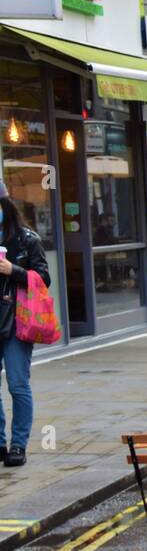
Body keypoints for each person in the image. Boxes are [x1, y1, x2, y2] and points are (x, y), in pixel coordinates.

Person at [0, 182, 50, 468]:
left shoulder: (27, 239)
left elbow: (44, 279)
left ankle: (18, 445)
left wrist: (14, 270)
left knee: (17, 385)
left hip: (17, 322)